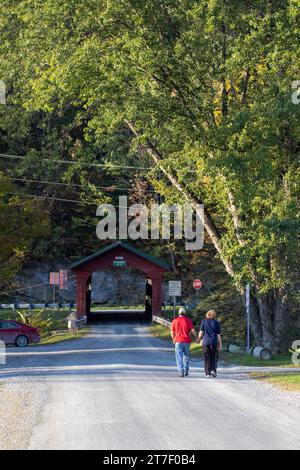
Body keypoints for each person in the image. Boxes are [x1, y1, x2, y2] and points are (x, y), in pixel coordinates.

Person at [171, 307, 197, 378]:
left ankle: (181, 371)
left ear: (178, 313)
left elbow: (172, 332)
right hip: (186, 341)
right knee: (186, 356)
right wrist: (196, 337)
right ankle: (186, 371)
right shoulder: (188, 320)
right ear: (184, 313)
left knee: (179, 357)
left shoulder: (175, 321)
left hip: (178, 341)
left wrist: (173, 338)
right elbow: (192, 330)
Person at [198, 310, 222, 378]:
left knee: (207, 357)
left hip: (205, 342)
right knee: (213, 356)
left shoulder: (204, 321)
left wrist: (198, 339)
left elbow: (201, 332)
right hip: (213, 342)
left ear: (207, 314)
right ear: (214, 315)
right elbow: (218, 334)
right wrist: (220, 343)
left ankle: (207, 373)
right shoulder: (216, 322)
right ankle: (213, 370)